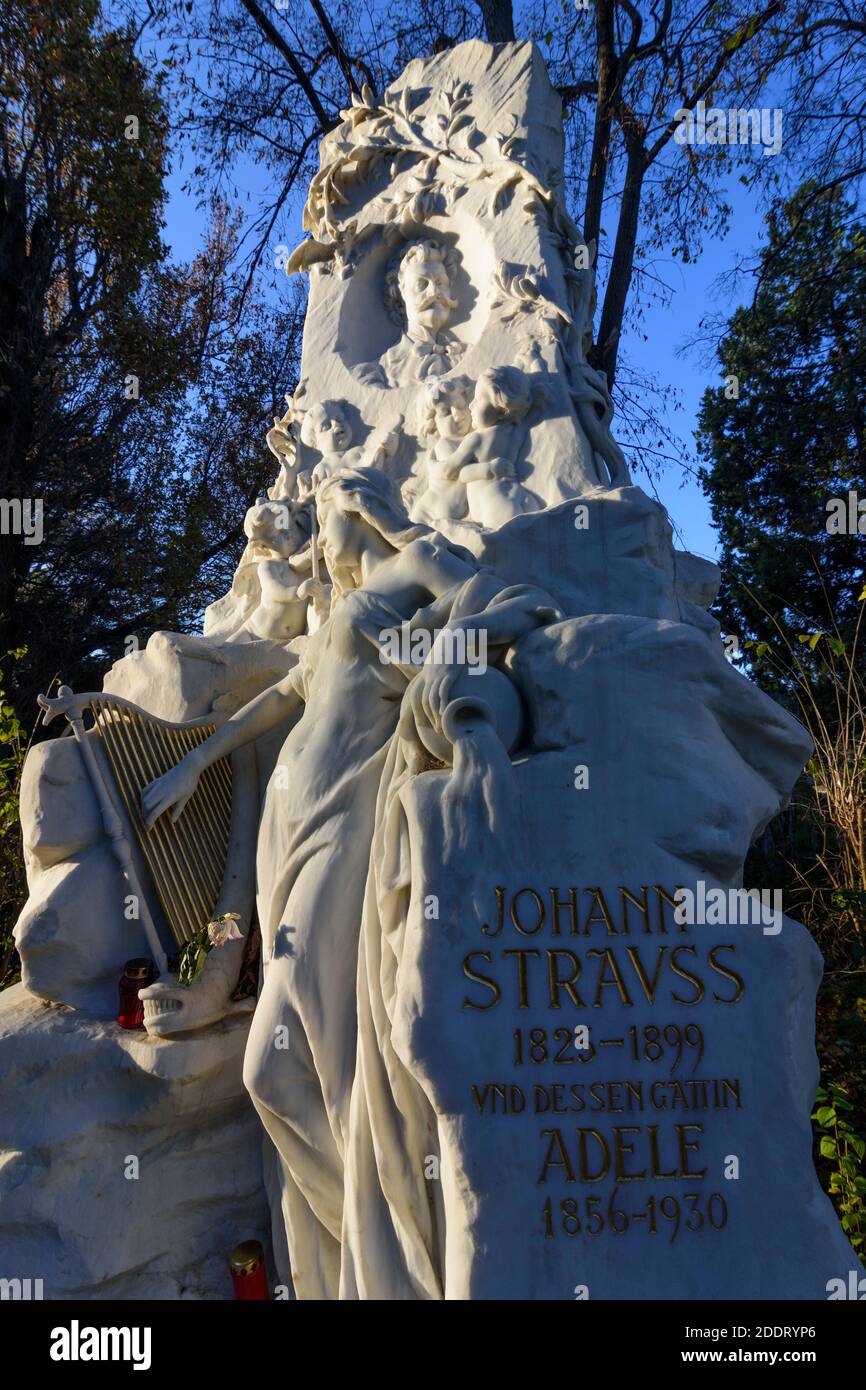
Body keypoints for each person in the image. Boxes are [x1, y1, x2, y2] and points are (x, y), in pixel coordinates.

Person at [142, 467, 558, 1298]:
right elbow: (280, 702)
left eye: (322, 526)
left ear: (355, 513)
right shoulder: (339, 617)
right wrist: (195, 759)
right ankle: (374, 1249)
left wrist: (446, 633)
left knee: (284, 1064)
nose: (315, 551)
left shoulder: (409, 572)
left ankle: (394, 1253)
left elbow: (486, 606)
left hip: (342, 830)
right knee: (305, 1058)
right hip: (288, 839)